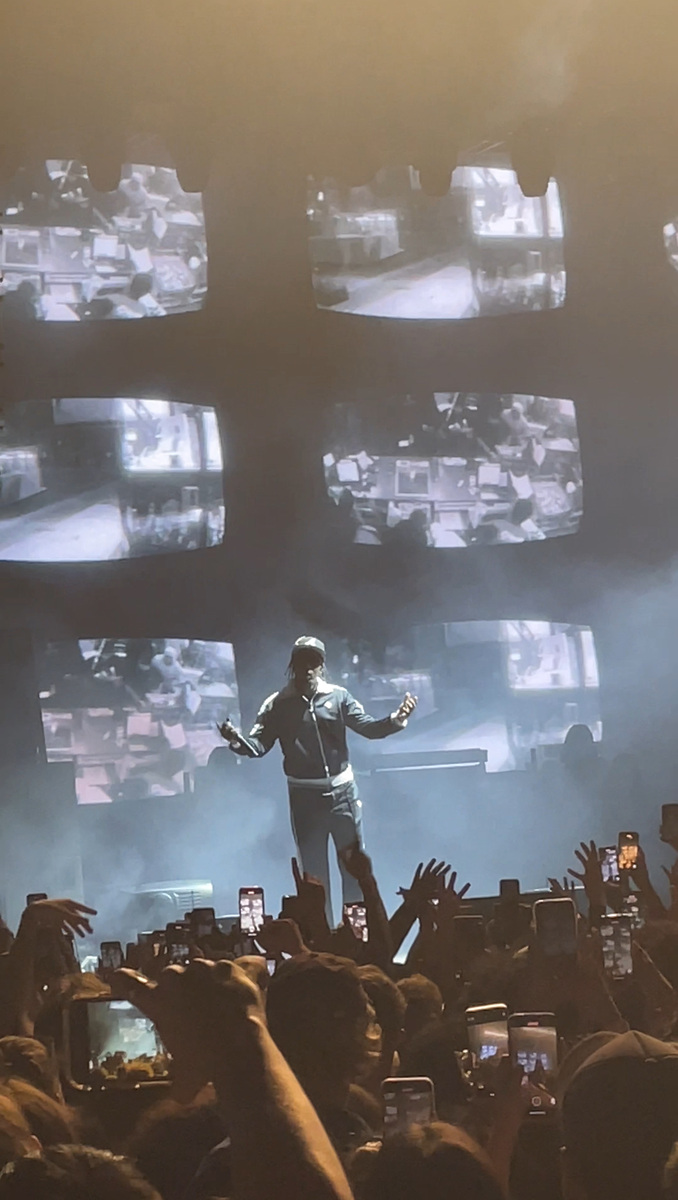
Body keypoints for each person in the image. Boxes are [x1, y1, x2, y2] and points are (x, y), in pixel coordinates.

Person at [219, 637, 417, 918]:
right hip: (305, 798)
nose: (308, 669)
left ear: (322, 666)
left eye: (313, 662)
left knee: (354, 870)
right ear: (292, 666)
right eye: (302, 662)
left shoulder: (338, 697)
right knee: (314, 877)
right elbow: (258, 745)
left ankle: (357, 933)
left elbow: (369, 728)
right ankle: (322, 936)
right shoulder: (277, 704)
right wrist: (236, 740)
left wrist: (397, 719)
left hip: (343, 794)